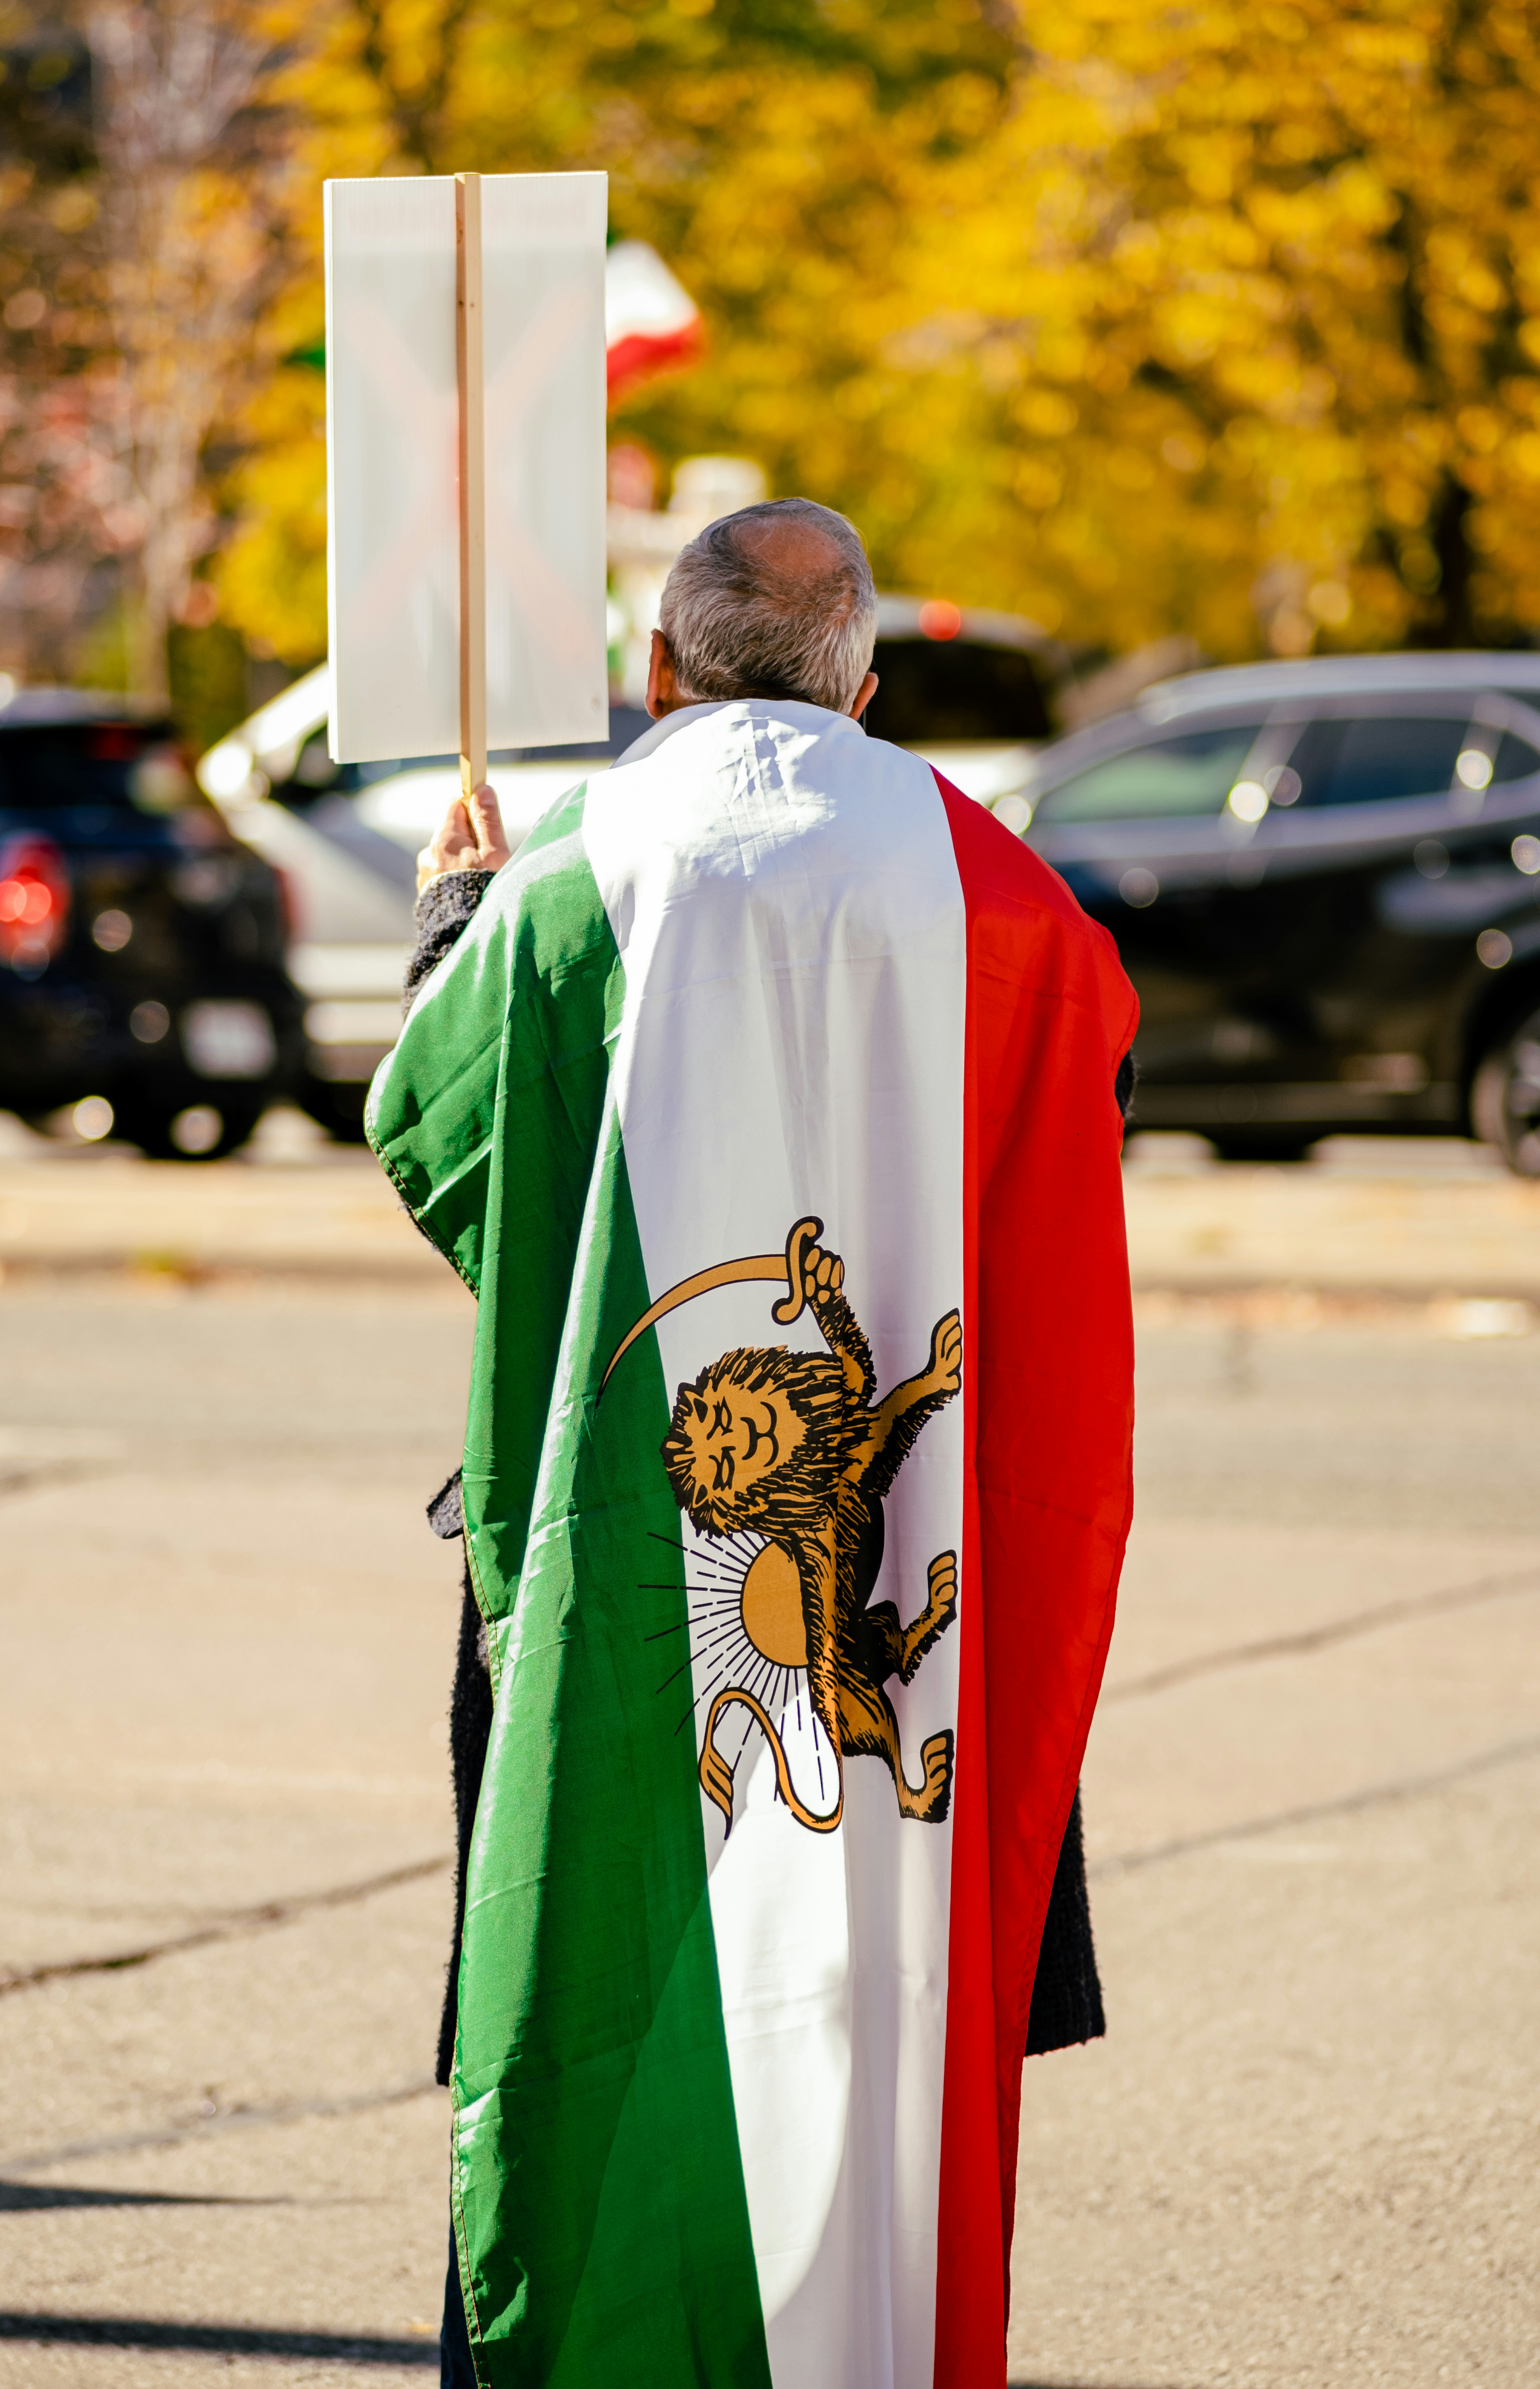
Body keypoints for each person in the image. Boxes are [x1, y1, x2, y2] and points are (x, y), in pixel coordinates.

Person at [372, 499, 1137, 2389]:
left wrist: (454, 928)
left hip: (617, 1547)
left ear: (655, 674)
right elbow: (1090, 1095)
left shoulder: (570, 872)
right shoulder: (992, 886)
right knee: (877, 1974)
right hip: (900, 1551)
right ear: (866, 689)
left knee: (592, 1964)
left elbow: (449, 1148)